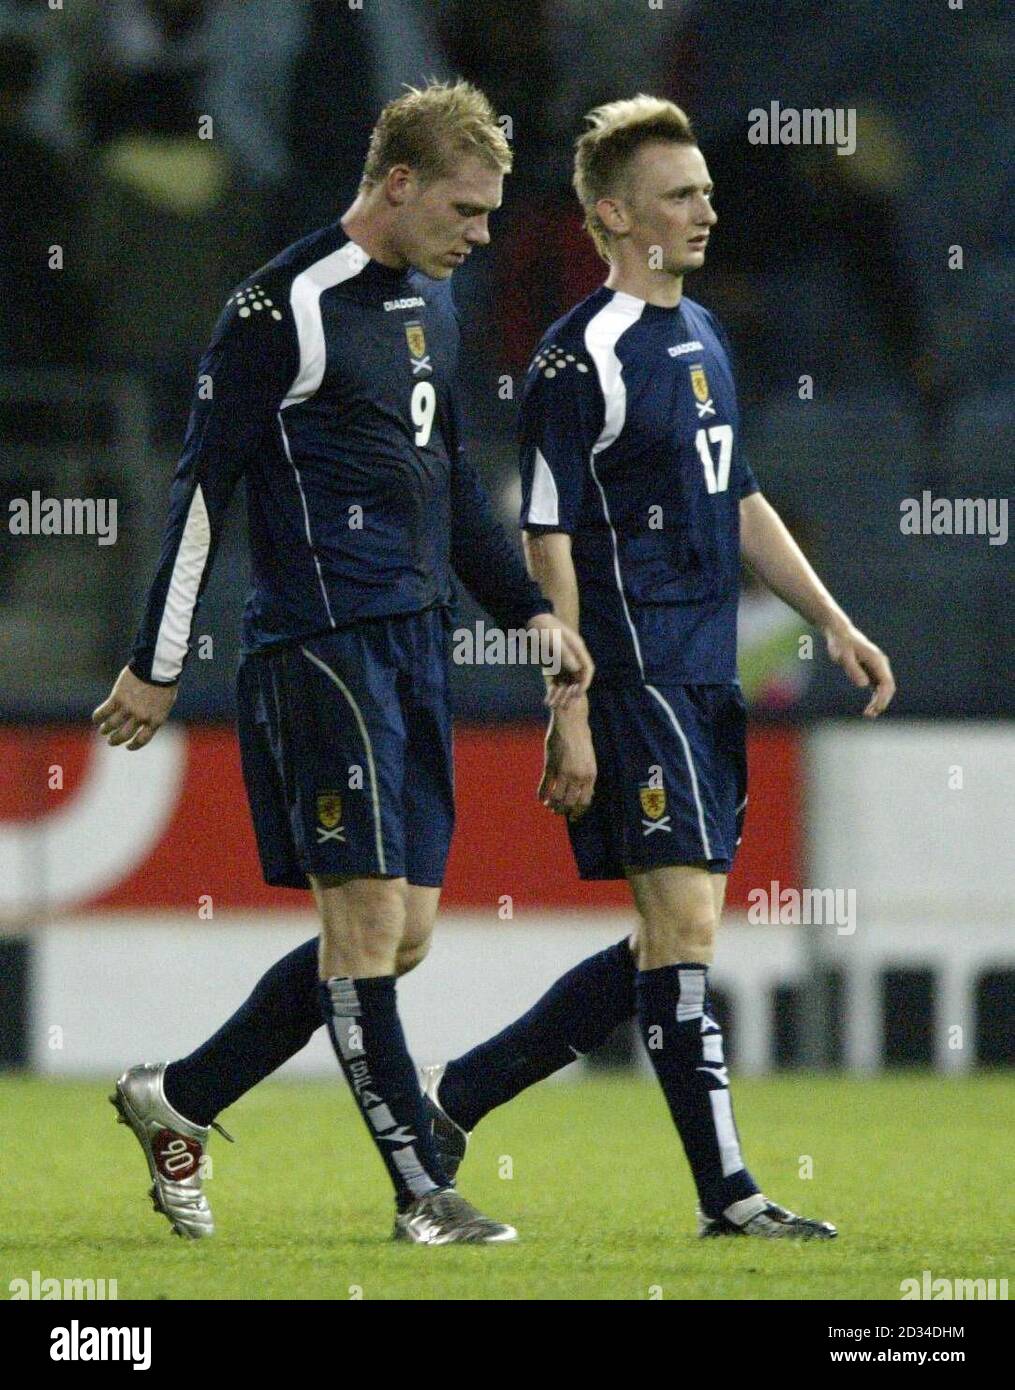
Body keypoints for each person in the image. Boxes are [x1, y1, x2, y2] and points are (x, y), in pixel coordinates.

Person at [92, 80, 593, 1247]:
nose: (481, 235)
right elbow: (205, 487)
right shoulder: (280, 306)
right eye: (466, 210)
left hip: (415, 643)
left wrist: (521, 610)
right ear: (400, 182)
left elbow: (450, 478)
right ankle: (427, 1193)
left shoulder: (432, 301)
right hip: (321, 647)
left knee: (399, 935)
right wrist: (157, 661)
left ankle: (180, 1098)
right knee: (367, 928)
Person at [419, 96, 896, 1239]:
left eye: (705, 190)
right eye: (681, 194)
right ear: (614, 214)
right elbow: (545, 540)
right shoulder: (576, 358)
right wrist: (568, 710)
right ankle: (729, 1197)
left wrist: (831, 618)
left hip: (705, 674)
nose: (706, 209)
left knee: (664, 940)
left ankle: (460, 1095)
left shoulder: (701, 334)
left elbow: (736, 499)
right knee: (679, 934)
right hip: (634, 677)